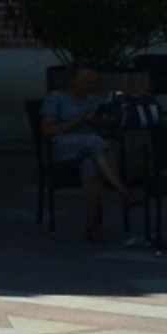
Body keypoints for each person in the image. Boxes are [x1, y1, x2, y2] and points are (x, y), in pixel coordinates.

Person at [39, 63, 129, 241]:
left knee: (91, 168)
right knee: (94, 141)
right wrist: (78, 119)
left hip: (89, 149)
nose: (89, 86)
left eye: (93, 82)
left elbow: (110, 129)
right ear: (73, 79)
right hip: (63, 146)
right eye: (85, 81)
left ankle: (92, 226)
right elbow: (47, 130)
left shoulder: (94, 100)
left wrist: (99, 121)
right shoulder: (56, 98)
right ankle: (122, 190)